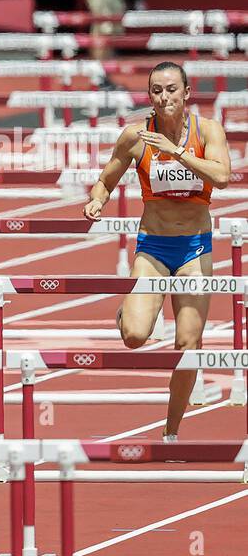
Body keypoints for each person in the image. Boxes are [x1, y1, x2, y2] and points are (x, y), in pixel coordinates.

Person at [83, 62, 232, 441]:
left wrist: (177, 152)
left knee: (188, 344)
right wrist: (97, 200)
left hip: (195, 247)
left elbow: (223, 177)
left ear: (186, 94)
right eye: (155, 90)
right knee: (134, 336)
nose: (163, 97)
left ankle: (171, 431)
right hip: (153, 247)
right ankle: (127, 312)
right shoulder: (136, 136)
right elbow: (106, 178)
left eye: (170, 89)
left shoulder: (208, 131)